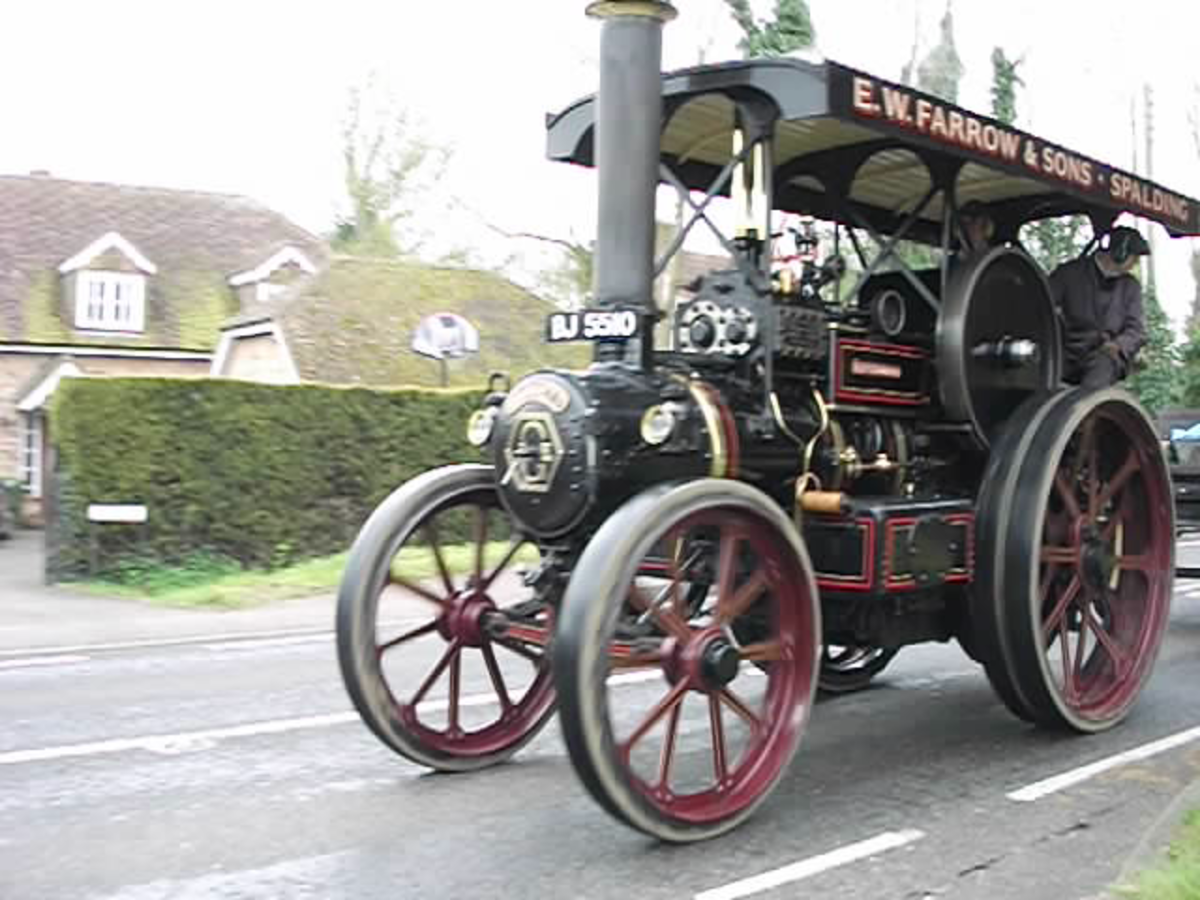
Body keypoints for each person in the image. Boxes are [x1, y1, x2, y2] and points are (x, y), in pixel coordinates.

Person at [1050, 225, 1150, 388]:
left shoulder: (1131, 286)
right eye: (1135, 257)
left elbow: (1137, 330)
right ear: (1120, 253)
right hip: (1065, 353)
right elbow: (1043, 307)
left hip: (1105, 355)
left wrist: (1118, 346)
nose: (1136, 263)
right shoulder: (1068, 273)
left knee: (1104, 365)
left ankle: (1085, 403)